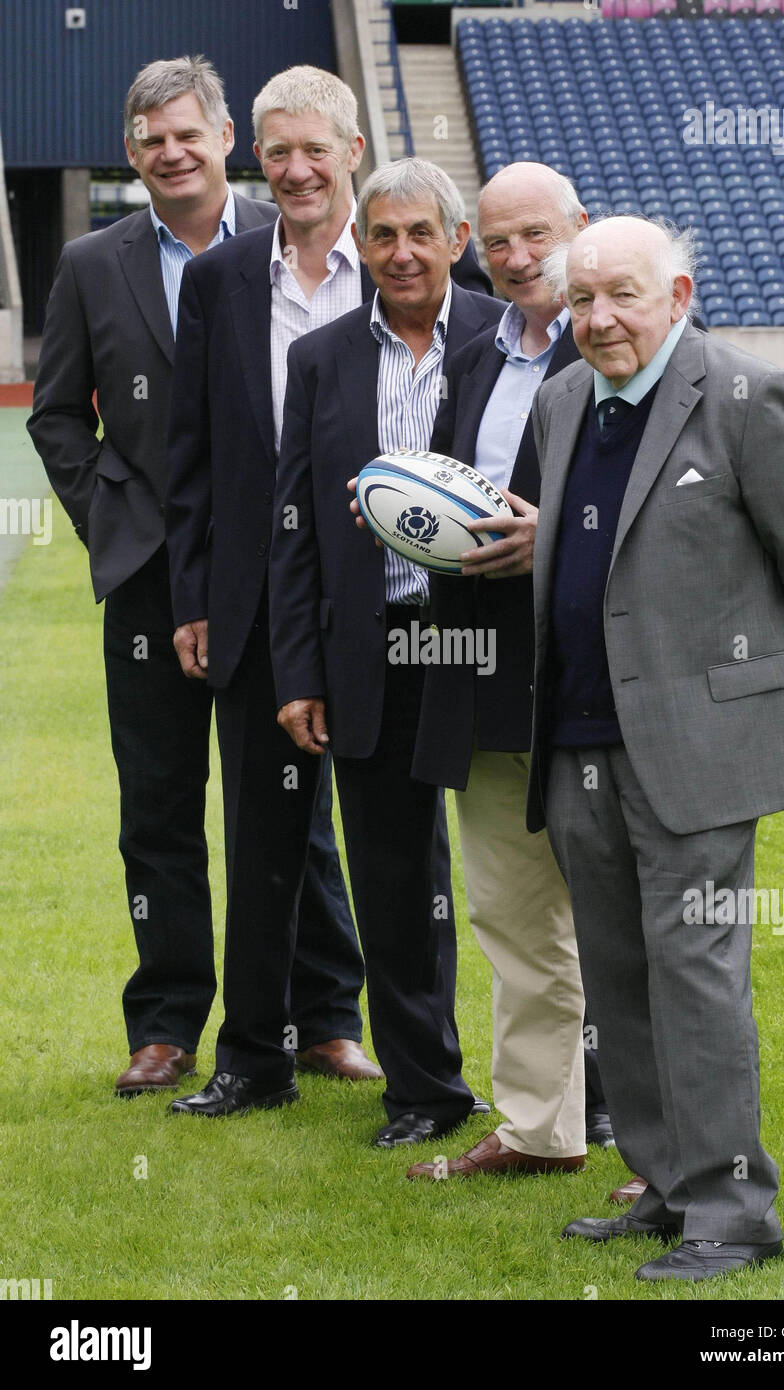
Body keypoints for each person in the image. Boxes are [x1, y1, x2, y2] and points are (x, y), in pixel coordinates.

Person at [528, 214, 784, 1280]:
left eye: (621, 295)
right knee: (618, 973)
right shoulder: (561, 401)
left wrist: (767, 710)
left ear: (677, 295)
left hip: (699, 752)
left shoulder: (748, 398)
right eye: (580, 300)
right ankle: (667, 1182)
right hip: (579, 740)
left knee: (696, 976)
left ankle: (734, 1212)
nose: (598, 319)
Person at [27, 55, 363, 1098]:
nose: (170, 150)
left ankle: (325, 1016)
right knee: (161, 805)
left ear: (225, 138)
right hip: (150, 579)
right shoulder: (92, 262)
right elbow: (55, 412)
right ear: (131, 153)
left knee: (291, 800)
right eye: (149, 138)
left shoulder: (290, 233)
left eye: (186, 131)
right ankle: (167, 1022)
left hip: (272, 573)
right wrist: (115, 522)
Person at [164, 69, 489, 1121]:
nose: (295, 169)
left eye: (316, 148)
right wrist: (193, 594)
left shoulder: (414, 266)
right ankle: (253, 1055)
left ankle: (365, 1040)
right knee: (263, 835)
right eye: (277, 149)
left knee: (402, 846)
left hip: (403, 611)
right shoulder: (219, 281)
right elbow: (195, 456)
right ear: (254, 153)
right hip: (264, 604)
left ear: (352, 147)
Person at [268, 158, 503, 1146]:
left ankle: (587, 1092)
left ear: (457, 240)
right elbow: (295, 530)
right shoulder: (321, 359)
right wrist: (299, 673)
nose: (401, 252)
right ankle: (423, 1092)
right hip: (370, 653)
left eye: (421, 233)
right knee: (397, 885)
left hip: (490, 646)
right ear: (359, 246)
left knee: (532, 884)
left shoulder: (514, 338)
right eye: (382, 235)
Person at [406, 161, 612, 1182]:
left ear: (580, 227)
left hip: (601, 680)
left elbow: (675, 505)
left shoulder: (627, 343)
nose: (520, 257)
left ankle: (673, 1150)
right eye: (497, 242)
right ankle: (540, 1130)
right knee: (512, 914)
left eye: (537, 234)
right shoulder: (474, 351)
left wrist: (560, 542)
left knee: (632, 915)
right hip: (487, 677)